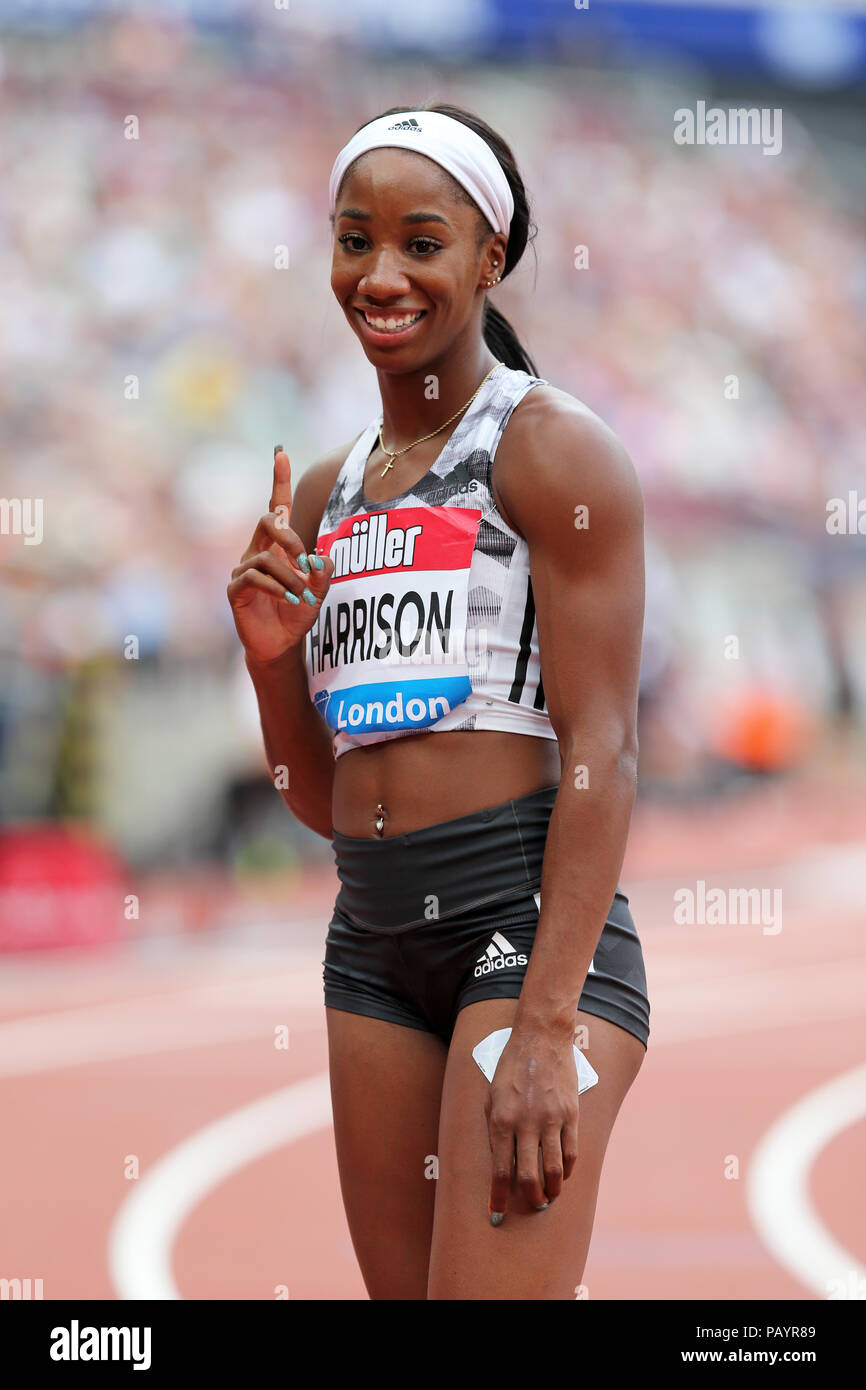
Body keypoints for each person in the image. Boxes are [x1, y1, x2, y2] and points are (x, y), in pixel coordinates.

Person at [227, 104, 650, 1301]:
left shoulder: (551, 451)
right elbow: (317, 799)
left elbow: (604, 754)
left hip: (519, 930)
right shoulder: (325, 493)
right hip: (368, 942)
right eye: (354, 240)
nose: (381, 274)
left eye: (421, 242)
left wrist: (548, 1026)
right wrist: (270, 660)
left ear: (488, 259)